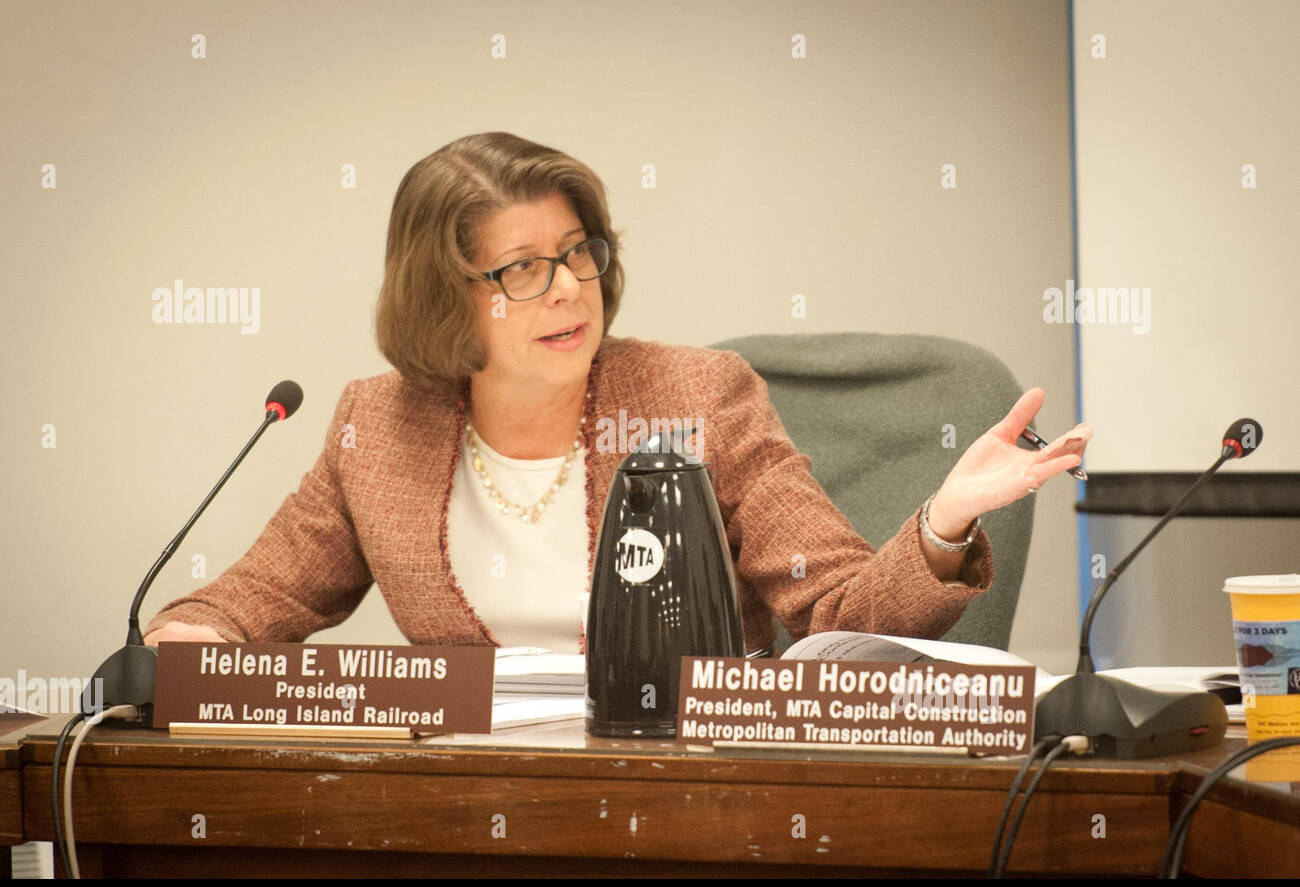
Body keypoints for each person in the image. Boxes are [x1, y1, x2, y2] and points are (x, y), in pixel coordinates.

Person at [144, 131, 1090, 655]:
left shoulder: (696, 395)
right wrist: (185, 638)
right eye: (521, 269)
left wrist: (943, 523)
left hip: (684, 786)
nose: (566, 287)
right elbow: (252, 601)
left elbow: (840, 614)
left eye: (577, 254)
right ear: (443, 299)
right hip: (474, 799)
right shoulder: (375, 425)